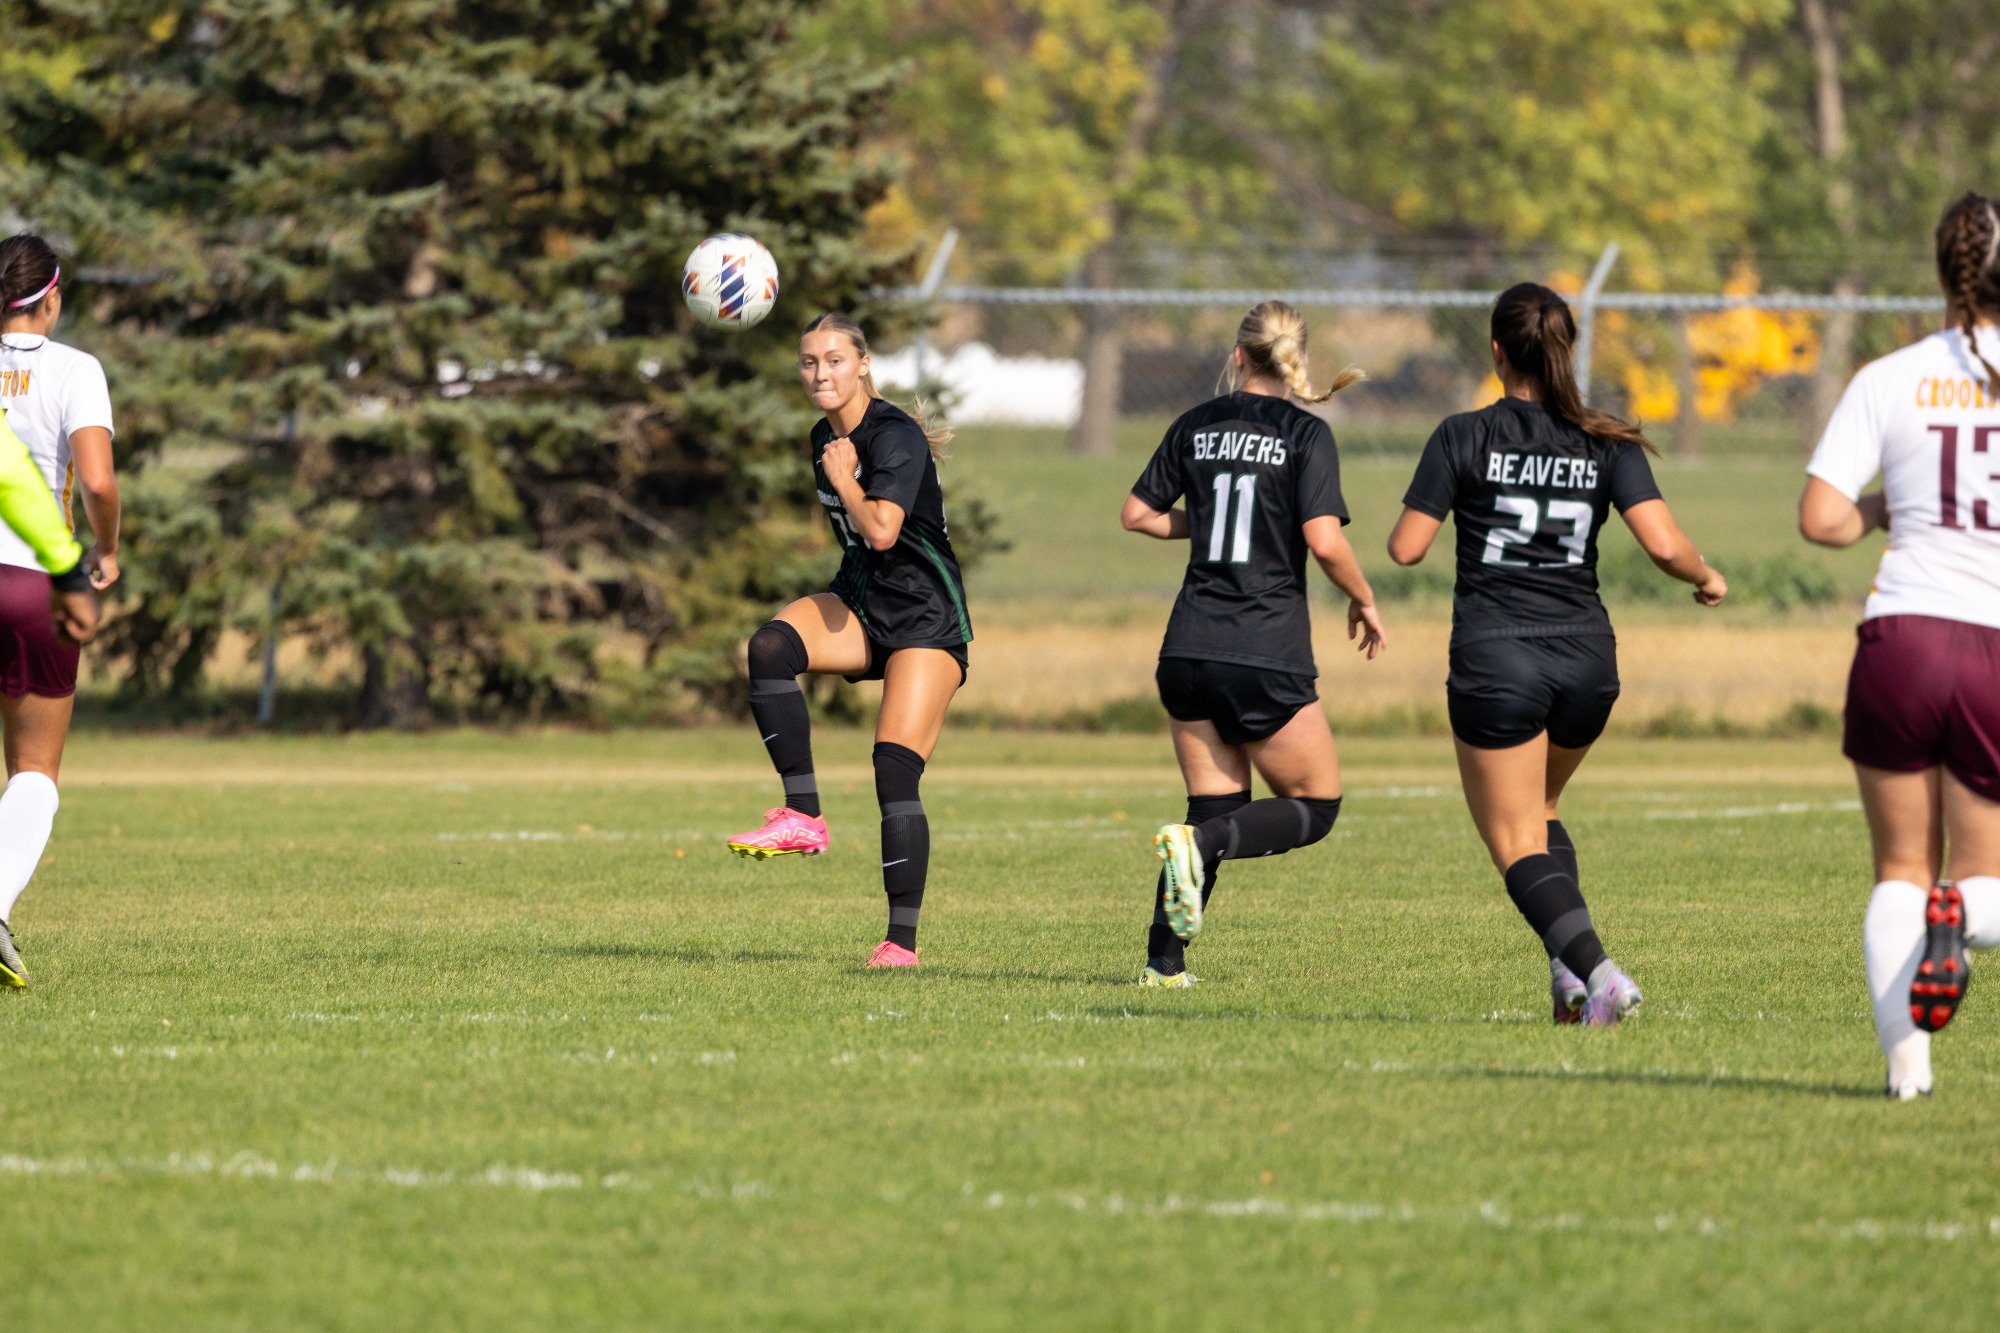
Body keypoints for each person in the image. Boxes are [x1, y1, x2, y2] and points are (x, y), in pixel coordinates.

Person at [1387, 282, 1726, 1026]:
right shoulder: (1606, 437)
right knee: (1539, 811)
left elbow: (1405, 549)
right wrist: (1705, 574)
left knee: (1513, 840)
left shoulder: (1462, 433)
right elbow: (1665, 545)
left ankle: (1601, 974)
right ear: (1564, 348)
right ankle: (1568, 978)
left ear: (1498, 350)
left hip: (1498, 658)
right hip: (1587, 662)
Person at [1800, 191, 2000, 1099]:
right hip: (1994, 646)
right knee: (1974, 875)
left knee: (1897, 873)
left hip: (1902, 636)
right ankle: (1964, 912)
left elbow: (1823, 518)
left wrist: (1889, 507)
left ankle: (1906, 1072)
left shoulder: (1891, 374)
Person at [1122, 300, 1385, 988]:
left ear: (1238, 357)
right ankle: (1199, 848)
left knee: (1213, 804)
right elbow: (1324, 541)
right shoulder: (1306, 433)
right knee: (1315, 805)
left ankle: (1162, 965)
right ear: (1297, 358)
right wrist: (1364, 596)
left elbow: (1137, 515)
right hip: (1262, 648)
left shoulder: (1194, 423)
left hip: (1186, 649)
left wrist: (1203, 525)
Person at [726, 313, 970, 969]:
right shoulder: (821, 436)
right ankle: (803, 815)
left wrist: (844, 479)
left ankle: (900, 943)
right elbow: (862, 547)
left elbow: (884, 530)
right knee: (769, 648)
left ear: (862, 363)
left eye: (834, 359)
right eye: (809, 362)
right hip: (863, 602)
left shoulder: (894, 434)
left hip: (925, 616)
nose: (820, 373)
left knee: (893, 770)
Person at [0, 234, 116, 990]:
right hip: (32, 581)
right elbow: (98, 481)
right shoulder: (76, 369)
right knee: (35, 771)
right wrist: (105, 551)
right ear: (53, 296)